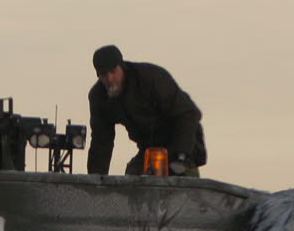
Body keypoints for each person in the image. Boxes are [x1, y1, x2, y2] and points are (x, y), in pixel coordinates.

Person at [85, 45, 207, 177]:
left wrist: (180, 156)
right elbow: (101, 141)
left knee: (181, 182)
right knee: (132, 180)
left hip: (183, 143)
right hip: (149, 149)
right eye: (104, 75)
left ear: (121, 67)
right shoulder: (99, 97)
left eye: (113, 72)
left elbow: (188, 113)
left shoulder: (151, 78)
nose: (109, 79)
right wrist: (95, 180)